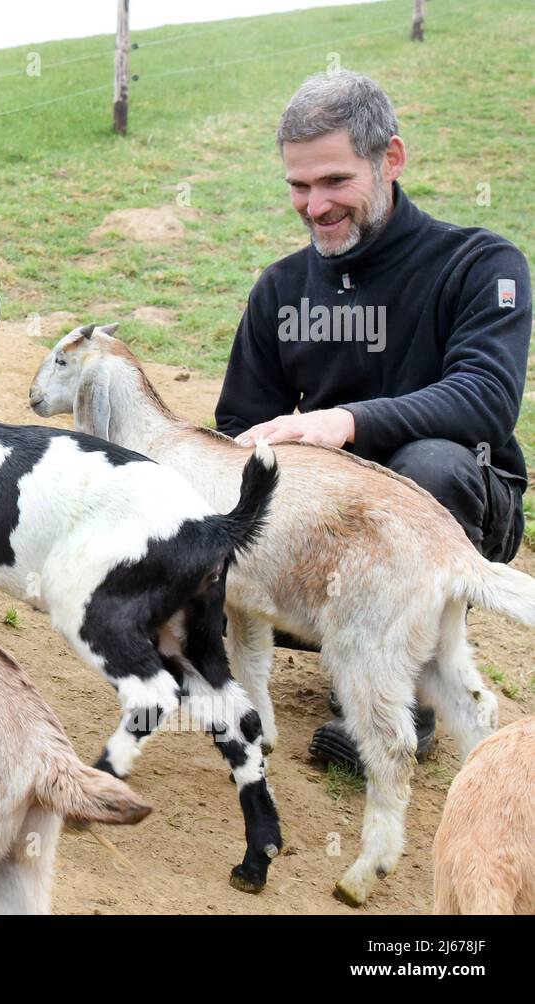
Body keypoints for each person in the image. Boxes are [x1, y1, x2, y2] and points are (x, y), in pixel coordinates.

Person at [215, 70, 532, 774]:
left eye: (334, 181)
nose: (314, 206)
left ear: (391, 159)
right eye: (299, 187)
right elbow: (240, 423)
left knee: (431, 464)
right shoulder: (280, 290)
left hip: (454, 511)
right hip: (330, 530)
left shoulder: (482, 264)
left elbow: (486, 398)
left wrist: (343, 423)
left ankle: (403, 701)